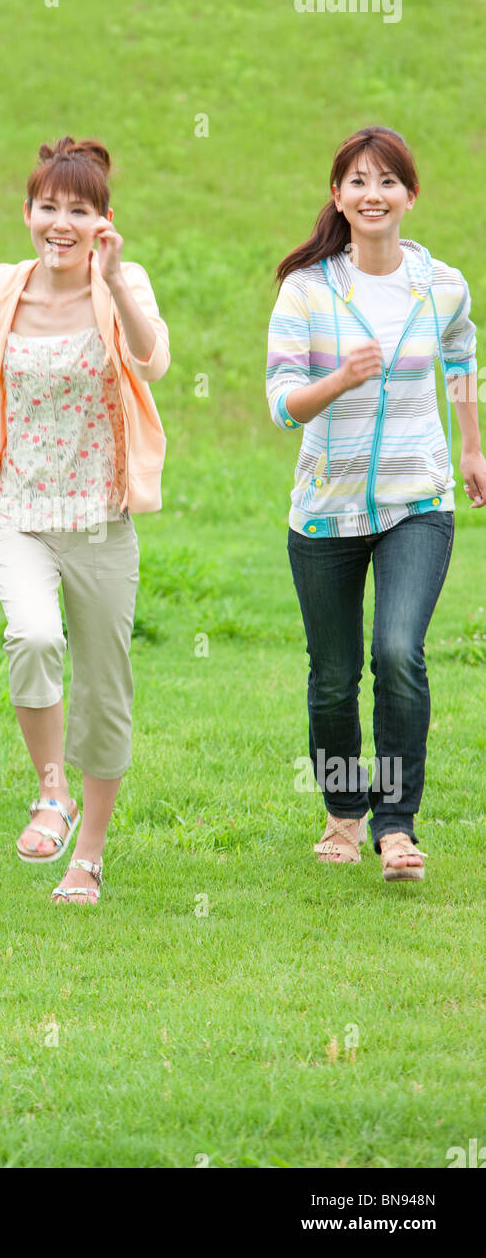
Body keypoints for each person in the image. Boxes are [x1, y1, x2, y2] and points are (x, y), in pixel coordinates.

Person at [266, 125, 486, 881]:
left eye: (387, 181)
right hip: (324, 509)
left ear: (410, 196)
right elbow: (282, 405)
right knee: (333, 676)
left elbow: (462, 354)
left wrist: (472, 447)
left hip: (416, 498)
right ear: (338, 197)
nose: (373, 194)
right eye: (357, 182)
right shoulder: (308, 289)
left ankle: (396, 827)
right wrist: (338, 381)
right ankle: (343, 811)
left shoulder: (441, 284)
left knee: (397, 652)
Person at [0, 136, 169, 904]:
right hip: (18, 508)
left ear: (102, 222)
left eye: (77, 210)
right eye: (47, 206)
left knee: (106, 687)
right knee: (34, 635)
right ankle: (51, 789)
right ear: (27, 213)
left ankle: (89, 854)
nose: (60, 222)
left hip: (100, 515)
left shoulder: (123, 281)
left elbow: (153, 362)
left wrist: (112, 278)